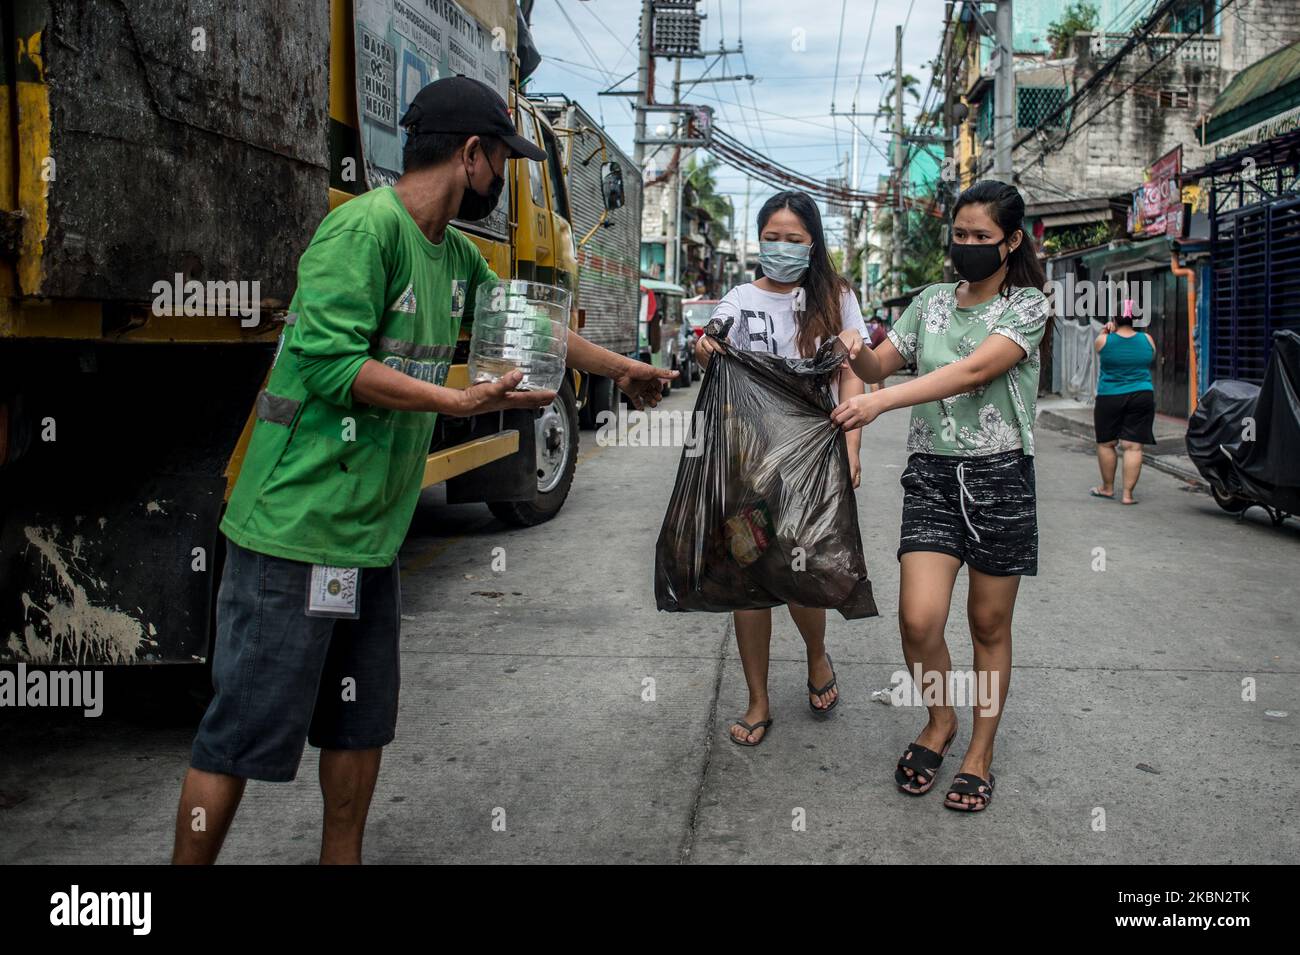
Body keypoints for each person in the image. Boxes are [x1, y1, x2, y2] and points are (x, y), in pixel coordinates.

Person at [172, 76, 675, 864]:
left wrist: (629, 368)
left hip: (370, 541)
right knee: (239, 734)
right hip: (293, 532)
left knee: (360, 723)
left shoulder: (453, 253)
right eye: (502, 161)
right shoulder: (361, 232)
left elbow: (530, 325)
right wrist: (459, 399)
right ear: (472, 156)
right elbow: (337, 367)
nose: (502, 179)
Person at [832, 180, 1049, 812]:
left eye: (982, 237)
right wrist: (857, 354)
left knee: (988, 623)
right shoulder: (927, 302)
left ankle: (979, 749)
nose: (968, 246)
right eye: (960, 236)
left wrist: (879, 401)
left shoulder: (1028, 305)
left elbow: (976, 369)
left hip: (1000, 478)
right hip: (932, 475)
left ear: (1010, 241)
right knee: (919, 620)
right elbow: (878, 366)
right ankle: (939, 718)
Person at [694, 190, 867, 747]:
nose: (783, 248)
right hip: (745, 457)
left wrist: (854, 445)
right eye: (773, 237)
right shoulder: (741, 297)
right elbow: (710, 344)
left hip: (811, 459)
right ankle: (757, 699)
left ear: (813, 243)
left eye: (794, 240)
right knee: (748, 577)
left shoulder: (836, 297)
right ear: (759, 239)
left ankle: (817, 655)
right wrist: (704, 349)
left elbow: (853, 373)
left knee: (799, 571)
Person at [1090, 304, 1156, 505]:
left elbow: (1101, 344)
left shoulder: (1103, 340)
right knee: (1134, 446)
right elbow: (1150, 357)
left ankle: (1108, 488)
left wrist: (1107, 330)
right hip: (1142, 394)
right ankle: (1127, 495)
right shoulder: (1148, 340)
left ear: (1114, 319)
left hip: (1110, 396)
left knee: (1107, 443)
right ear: (1135, 319)